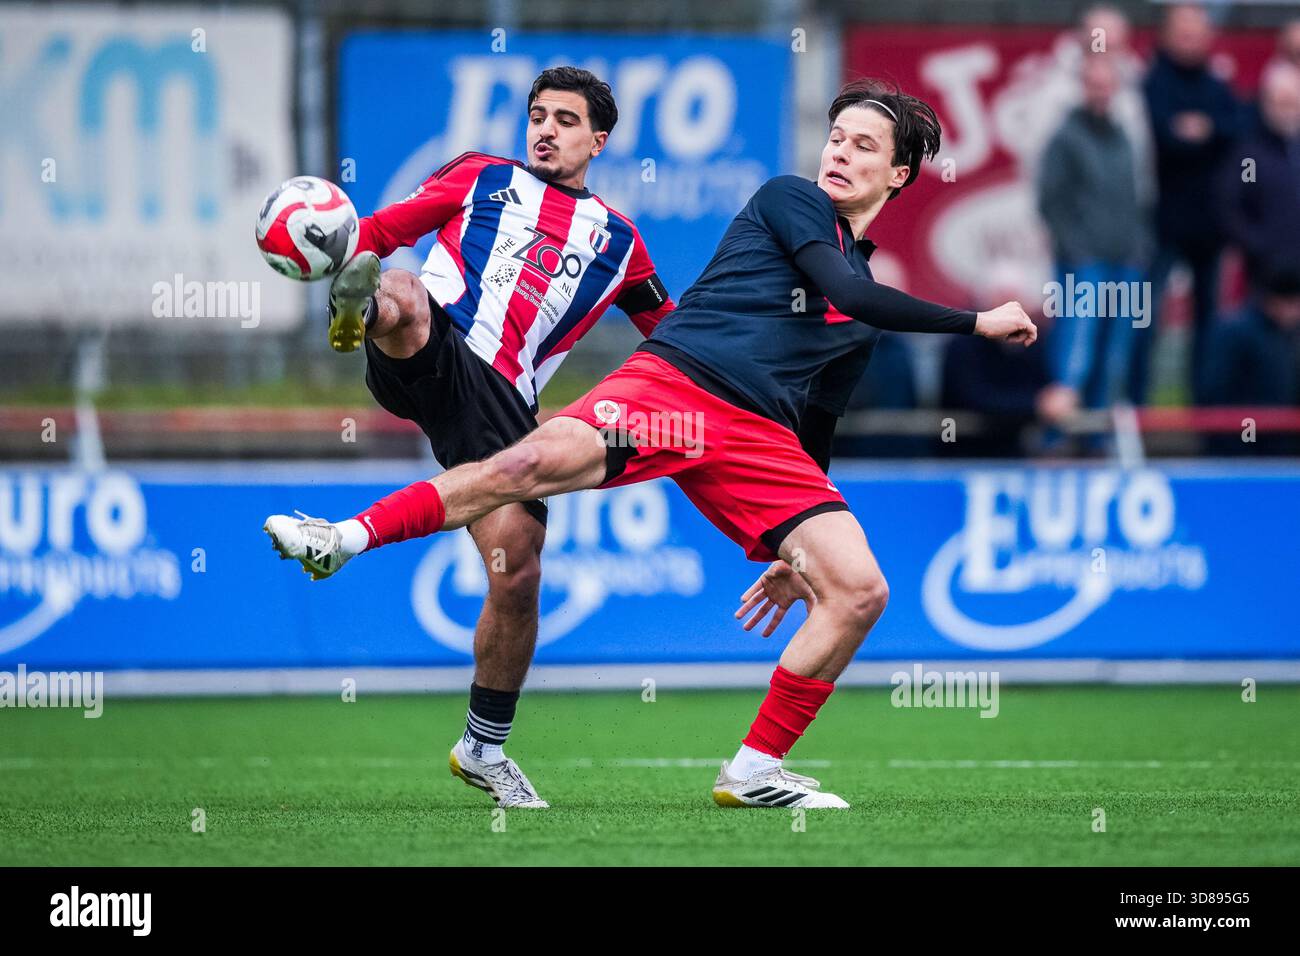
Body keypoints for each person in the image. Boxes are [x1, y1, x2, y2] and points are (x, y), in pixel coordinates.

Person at [265, 80, 1037, 810]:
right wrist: (977, 320)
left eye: (863, 146)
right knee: (526, 465)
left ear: (899, 173)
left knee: (859, 589)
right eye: (835, 137)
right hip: (677, 387)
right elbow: (850, 291)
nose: (838, 153)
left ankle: (756, 769)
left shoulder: (854, 299)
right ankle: (343, 537)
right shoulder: (792, 199)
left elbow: (818, 419)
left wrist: (786, 543)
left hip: (760, 438)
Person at [271, 66, 675, 810]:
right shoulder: (481, 176)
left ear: (598, 139)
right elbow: (386, 231)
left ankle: (482, 748)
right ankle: (363, 307)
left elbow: (670, 338)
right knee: (402, 289)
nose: (545, 129)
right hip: (439, 345)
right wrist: (333, 245)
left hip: (499, 412)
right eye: (537, 116)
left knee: (517, 573)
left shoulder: (621, 244)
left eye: (564, 120)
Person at [1139, 2, 1241, 404]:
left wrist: (1205, 130)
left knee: (1208, 326)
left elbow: (1234, 128)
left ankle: (1204, 413)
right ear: (1165, 35)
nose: (1191, 41)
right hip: (1159, 225)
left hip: (1208, 228)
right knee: (1145, 321)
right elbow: (1165, 136)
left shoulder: (1216, 85)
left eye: (1197, 33)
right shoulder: (1152, 82)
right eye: (1183, 33)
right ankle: (1139, 411)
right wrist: (1202, 134)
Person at [1038, 54, 1148, 411]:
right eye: (1094, 85)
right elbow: (1049, 201)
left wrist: (1137, 247)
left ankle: (1099, 437)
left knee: (1114, 353)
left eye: (1107, 85)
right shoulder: (1065, 138)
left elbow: (1135, 197)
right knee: (1074, 354)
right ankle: (1058, 435)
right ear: (1083, 88)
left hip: (1125, 260)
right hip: (1084, 264)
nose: (1101, 92)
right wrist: (1076, 249)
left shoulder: (1123, 137)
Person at [1202, 263, 1300, 455]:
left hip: (1278, 446)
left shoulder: (1285, 335)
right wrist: (1246, 442)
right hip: (1242, 450)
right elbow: (1216, 393)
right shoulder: (1234, 332)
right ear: (1276, 301)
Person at [1218, 61, 1300, 290]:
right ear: (1266, 103)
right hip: (1268, 270)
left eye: (1293, 102)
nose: (1288, 111)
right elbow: (1236, 203)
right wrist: (1259, 245)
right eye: (1281, 103)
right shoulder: (1251, 157)